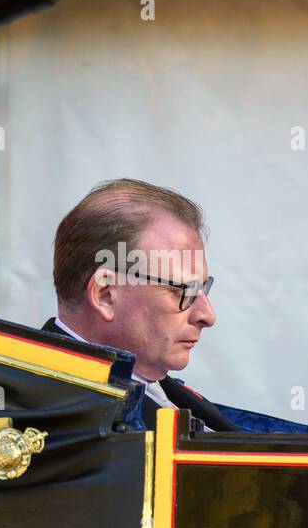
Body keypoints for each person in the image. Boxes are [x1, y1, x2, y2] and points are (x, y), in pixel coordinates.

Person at [42, 178, 239, 432]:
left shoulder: (136, 388)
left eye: (202, 288)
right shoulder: (62, 417)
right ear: (105, 295)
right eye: (181, 290)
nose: (207, 315)